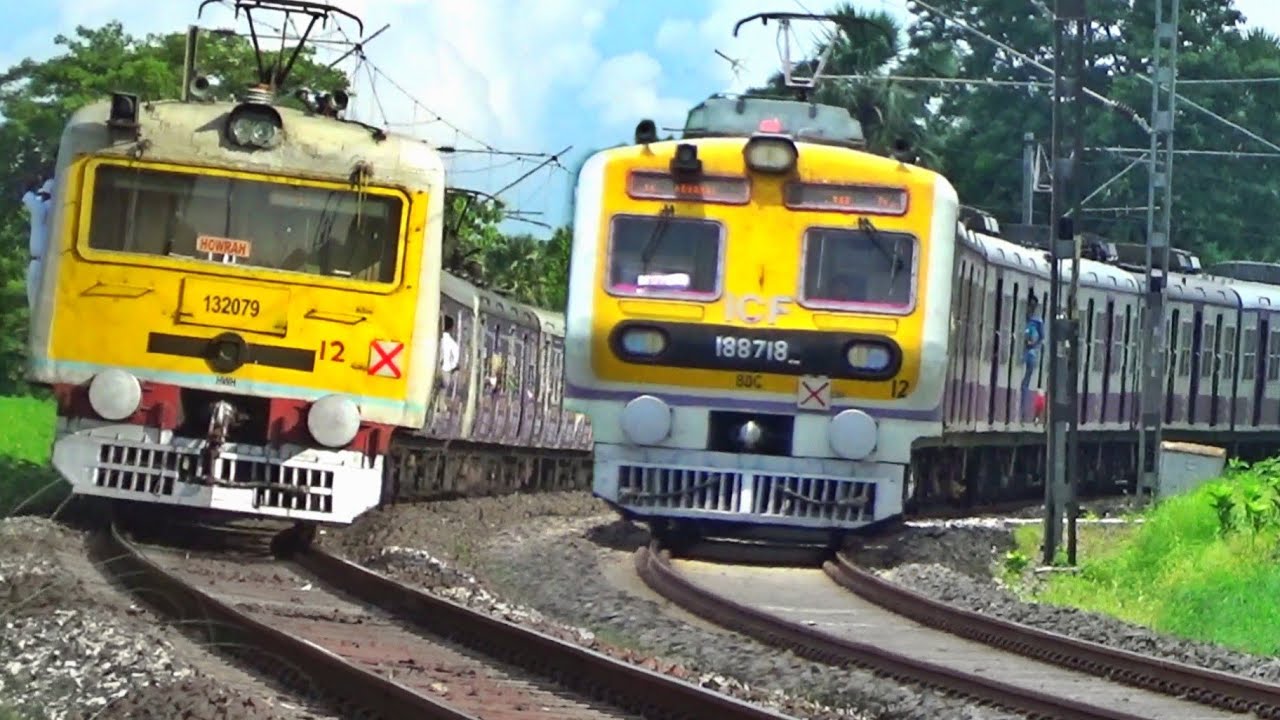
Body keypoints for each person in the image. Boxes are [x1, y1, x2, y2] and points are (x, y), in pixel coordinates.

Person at [22, 178, 53, 310]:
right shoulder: (56, 209)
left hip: (39, 263)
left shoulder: (43, 209)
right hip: (49, 263)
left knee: (35, 306)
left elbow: (33, 204)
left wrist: (27, 191)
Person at [1021, 294, 1045, 421]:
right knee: (1024, 383)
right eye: (1030, 305)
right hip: (1024, 354)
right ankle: (1023, 411)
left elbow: (1041, 338)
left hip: (1030, 355)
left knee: (1025, 383)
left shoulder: (1037, 322)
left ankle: (1024, 412)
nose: (1031, 308)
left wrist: (1033, 345)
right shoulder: (1024, 318)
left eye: (1033, 305)